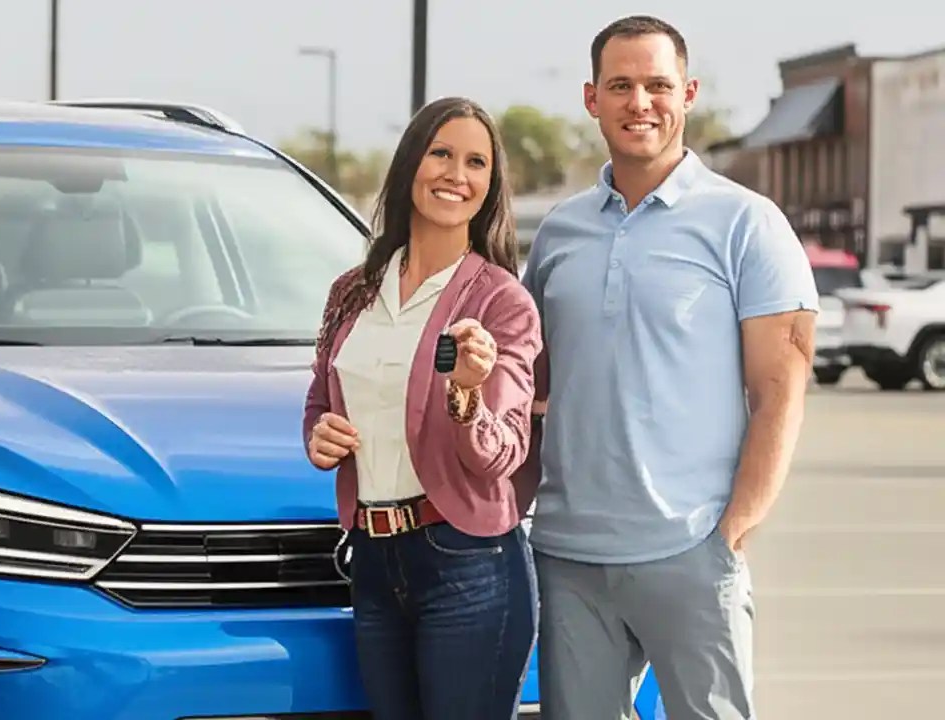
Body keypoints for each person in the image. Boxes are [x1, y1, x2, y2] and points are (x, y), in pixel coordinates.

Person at [517, 15, 819, 720]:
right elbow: (531, 388)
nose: (640, 103)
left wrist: (731, 535)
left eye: (657, 85)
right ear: (592, 99)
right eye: (620, 85)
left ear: (688, 94)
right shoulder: (559, 231)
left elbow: (780, 390)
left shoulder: (746, 223)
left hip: (689, 550)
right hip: (568, 556)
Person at [302, 96, 542, 720]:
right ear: (410, 163)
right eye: (441, 154)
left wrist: (466, 395)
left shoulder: (501, 303)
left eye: (476, 162)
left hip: (468, 564)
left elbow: (503, 455)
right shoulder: (352, 291)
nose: (456, 175)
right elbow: (321, 398)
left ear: (491, 186)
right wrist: (319, 435)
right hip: (372, 560)